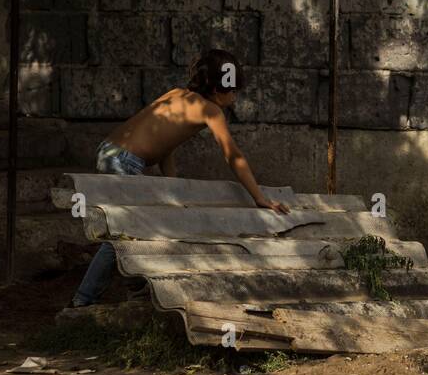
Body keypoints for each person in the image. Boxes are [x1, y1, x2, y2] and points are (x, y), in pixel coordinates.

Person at [69, 49, 291, 308]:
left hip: (109, 150)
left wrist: (172, 188)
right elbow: (233, 156)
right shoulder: (211, 111)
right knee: (123, 233)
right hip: (124, 161)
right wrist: (260, 197)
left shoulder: (175, 95)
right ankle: (83, 300)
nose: (236, 95)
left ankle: (136, 288)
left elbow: (165, 144)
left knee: (131, 229)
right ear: (219, 89)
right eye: (234, 90)